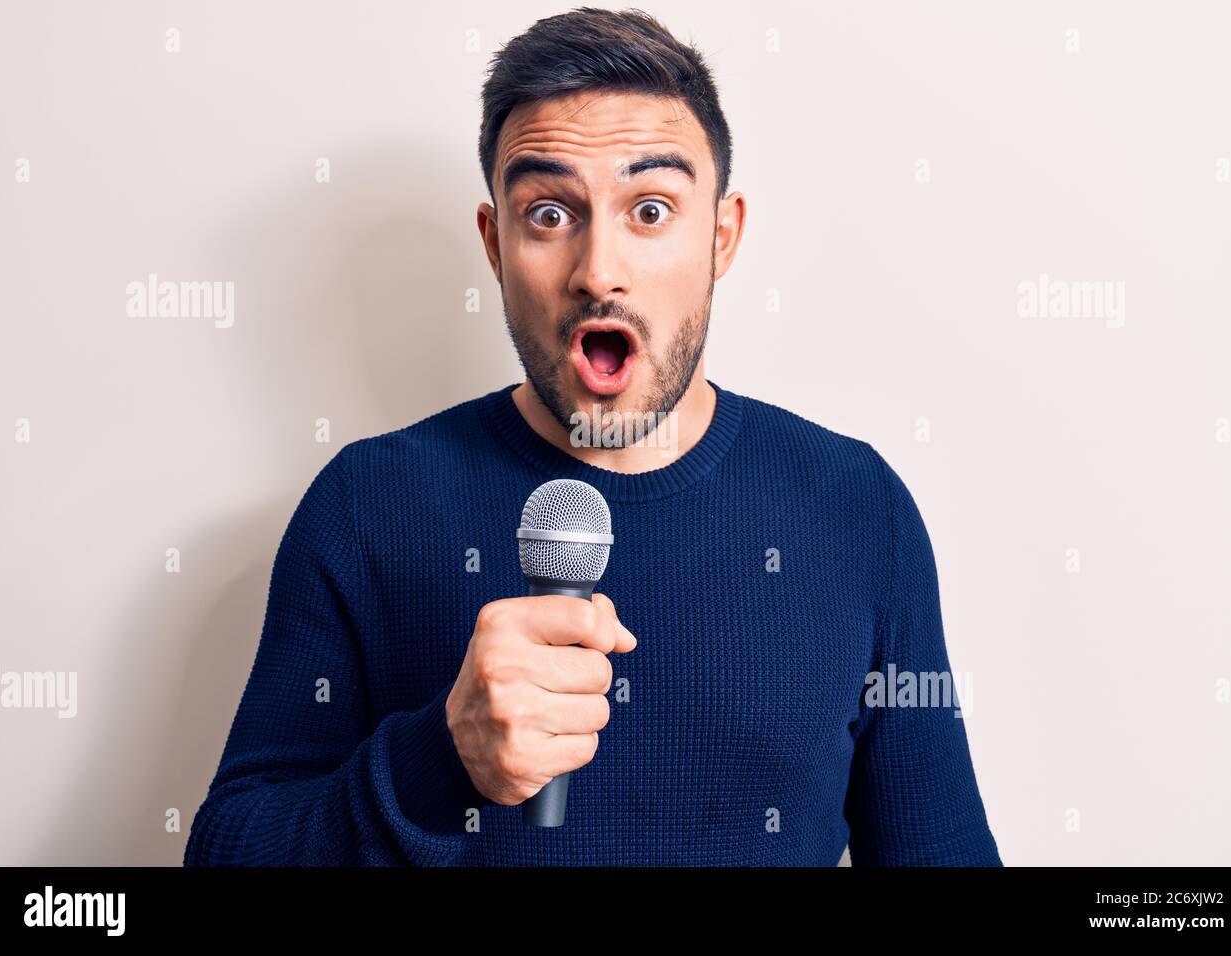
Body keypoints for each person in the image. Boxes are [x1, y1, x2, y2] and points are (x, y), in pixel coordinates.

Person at [184, 6, 1002, 866]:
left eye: (650, 209)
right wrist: (439, 761)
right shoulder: (365, 505)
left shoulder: (856, 506)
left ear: (720, 237)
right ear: (495, 245)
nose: (598, 271)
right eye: (548, 215)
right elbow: (225, 854)